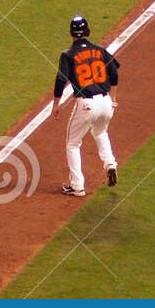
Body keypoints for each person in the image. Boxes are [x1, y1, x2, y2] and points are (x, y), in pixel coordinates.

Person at [49, 14, 119, 198]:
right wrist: (113, 97)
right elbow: (114, 73)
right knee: (100, 132)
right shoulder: (100, 50)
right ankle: (110, 163)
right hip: (105, 102)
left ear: (71, 33)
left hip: (87, 104)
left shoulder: (68, 54)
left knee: (73, 143)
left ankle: (77, 185)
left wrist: (56, 104)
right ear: (87, 31)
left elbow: (60, 80)